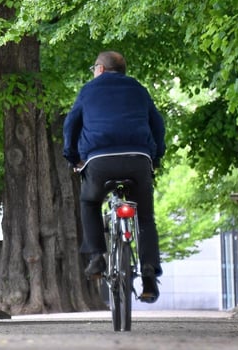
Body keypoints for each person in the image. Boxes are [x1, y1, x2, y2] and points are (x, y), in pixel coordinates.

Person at [62, 50, 165, 303]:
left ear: (100, 69)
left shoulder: (88, 90)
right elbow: (158, 124)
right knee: (145, 218)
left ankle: (97, 256)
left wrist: (72, 157)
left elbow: (71, 125)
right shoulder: (139, 90)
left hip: (99, 162)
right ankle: (149, 274)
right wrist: (157, 156)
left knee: (89, 202)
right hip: (138, 160)